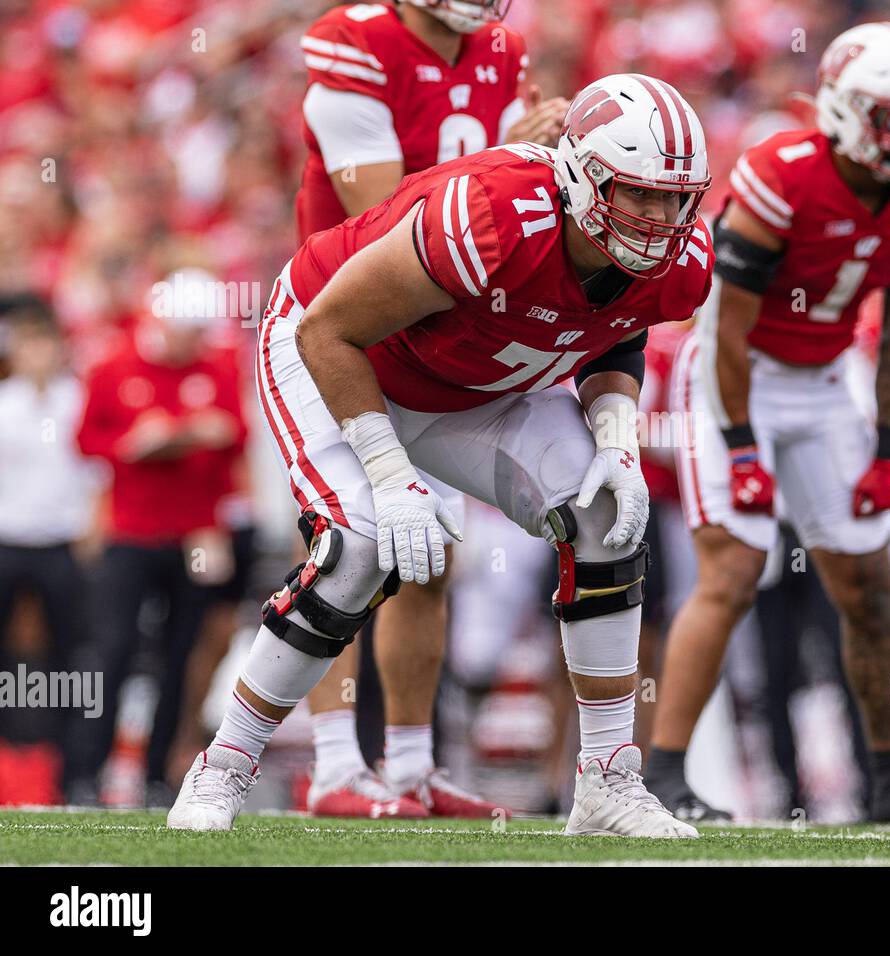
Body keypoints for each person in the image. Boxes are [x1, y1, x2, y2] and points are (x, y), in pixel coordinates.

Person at [168, 73, 714, 837]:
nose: (662, 218)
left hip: (473, 389)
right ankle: (222, 767)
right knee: (358, 551)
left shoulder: (680, 258)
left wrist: (616, 435)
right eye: (640, 195)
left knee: (602, 517)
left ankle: (607, 781)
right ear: (583, 178)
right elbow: (327, 332)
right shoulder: (492, 214)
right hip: (336, 354)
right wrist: (390, 475)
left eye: (675, 197)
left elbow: (621, 324)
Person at [647, 22, 890, 822]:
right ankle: (664, 774)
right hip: (737, 371)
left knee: (870, 586)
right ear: (849, 111)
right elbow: (724, 326)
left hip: (826, 380)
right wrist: (742, 448)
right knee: (731, 573)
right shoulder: (780, 175)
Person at [294, 0, 568, 819]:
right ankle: (337, 765)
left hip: (428, 338)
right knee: (347, 549)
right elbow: (380, 218)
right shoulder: (355, 41)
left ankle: (411, 766)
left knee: (430, 559)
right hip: (335, 323)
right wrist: (515, 152)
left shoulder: (499, 46)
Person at [74, 269, 249, 805]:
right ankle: (86, 772)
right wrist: (135, 442)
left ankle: (156, 775)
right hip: (131, 530)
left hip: (196, 533)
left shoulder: (216, 367)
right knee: (113, 649)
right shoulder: (115, 365)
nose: (196, 342)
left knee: (183, 651)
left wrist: (201, 437)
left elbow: (235, 436)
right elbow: (87, 440)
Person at [0, 301, 100, 795]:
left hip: (63, 543)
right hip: (8, 541)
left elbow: (95, 475)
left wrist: (92, 537)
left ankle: (72, 769)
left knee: (71, 655)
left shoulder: (77, 400)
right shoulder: (3, 404)